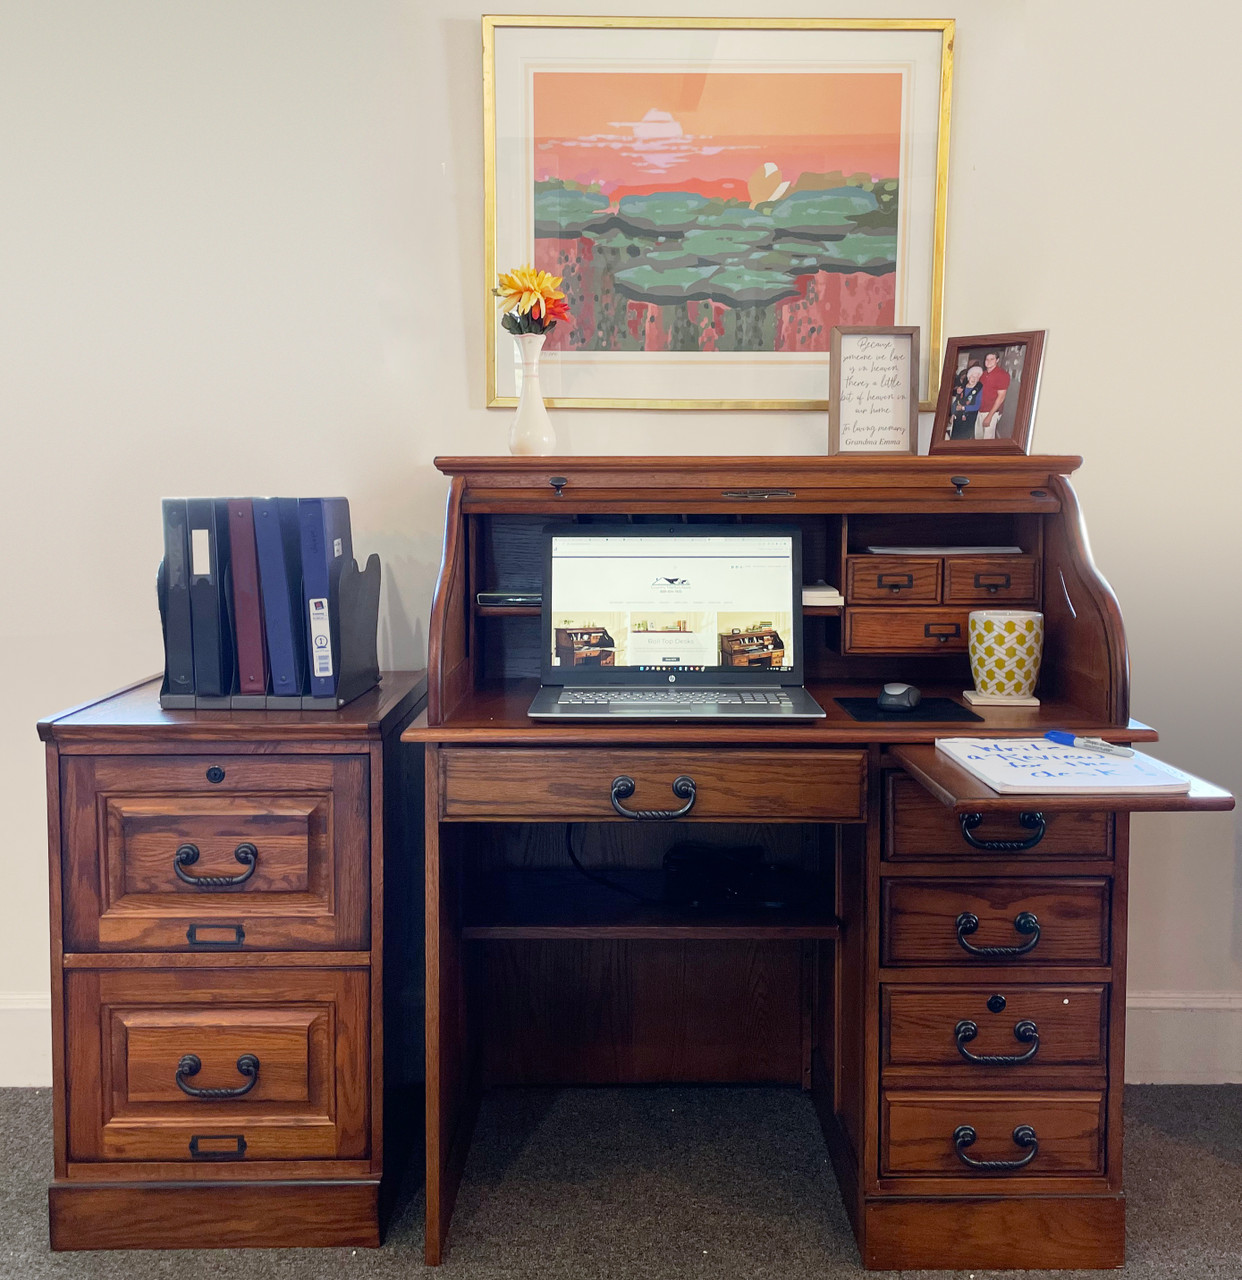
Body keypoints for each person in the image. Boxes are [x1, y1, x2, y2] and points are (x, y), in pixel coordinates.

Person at [977, 350, 1012, 438]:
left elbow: (1001, 397)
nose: (988, 361)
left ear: (997, 360)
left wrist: (989, 416)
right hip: (980, 411)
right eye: (987, 359)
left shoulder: (1002, 375)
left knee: (987, 440)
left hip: (991, 412)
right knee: (978, 437)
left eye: (992, 359)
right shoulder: (983, 374)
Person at [948, 363, 983, 440]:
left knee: (965, 440)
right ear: (968, 376)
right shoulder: (962, 388)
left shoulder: (979, 389)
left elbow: (977, 406)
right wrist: (953, 414)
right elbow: (956, 402)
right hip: (958, 418)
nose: (974, 379)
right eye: (972, 376)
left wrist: (963, 408)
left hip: (969, 419)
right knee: (954, 438)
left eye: (977, 377)